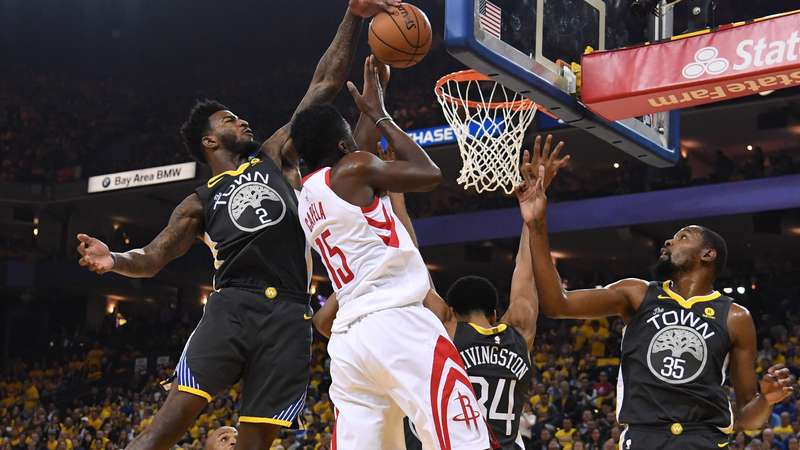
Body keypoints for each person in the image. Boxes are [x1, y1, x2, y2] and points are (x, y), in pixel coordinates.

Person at [74, 2, 399, 449]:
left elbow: (323, 84)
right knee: (162, 432)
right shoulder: (197, 202)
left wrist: (354, 14)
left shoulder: (274, 156)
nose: (241, 120)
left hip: (290, 313)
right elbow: (153, 258)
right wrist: (114, 259)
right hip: (233, 307)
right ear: (210, 140)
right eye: (229, 119)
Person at [516, 138, 795, 450]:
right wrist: (537, 224)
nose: (668, 243)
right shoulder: (636, 294)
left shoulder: (735, 317)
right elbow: (557, 304)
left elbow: (747, 418)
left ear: (707, 254)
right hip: (643, 437)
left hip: (703, 439)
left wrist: (767, 400)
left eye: (682, 237)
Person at [292, 55, 489, 449]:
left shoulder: (308, 194)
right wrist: (381, 114)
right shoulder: (353, 171)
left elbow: (358, 152)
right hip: (399, 325)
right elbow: (429, 173)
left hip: (350, 346)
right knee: (463, 439)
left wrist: (375, 96)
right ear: (342, 146)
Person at [311, 143, 549, 449]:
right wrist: (534, 219)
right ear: (495, 313)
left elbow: (410, 255)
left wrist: (396, 195)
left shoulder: (446, 326)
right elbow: (525, 272)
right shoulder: (519, 332)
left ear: (451, 309)